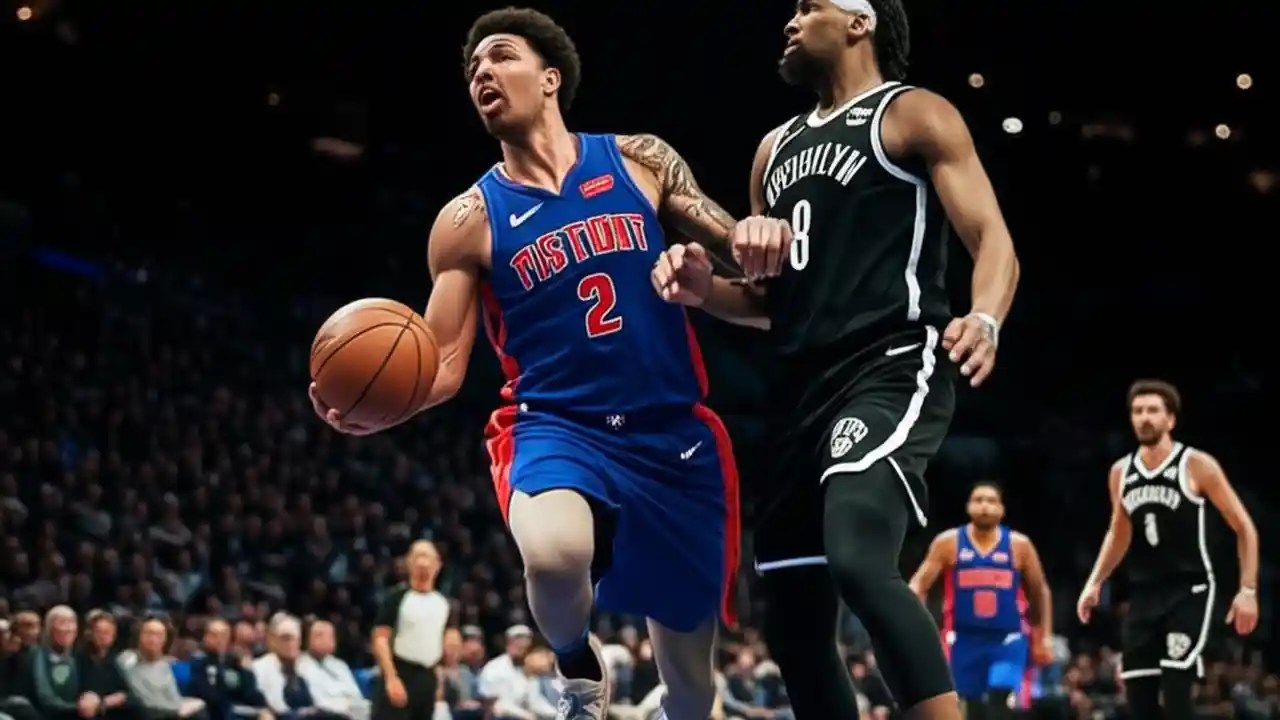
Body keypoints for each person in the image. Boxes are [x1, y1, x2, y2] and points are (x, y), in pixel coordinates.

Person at [309, 8, 744, 720]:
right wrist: (374, 412)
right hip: (555, 421)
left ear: (549, 79)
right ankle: (577, 666)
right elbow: (442, 363)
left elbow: (735, 250)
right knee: (552, 555)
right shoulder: (466, 220)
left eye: (499, 56)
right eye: (472, 68)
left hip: (671, 433)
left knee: (691, 685)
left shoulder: (640, 159)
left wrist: (760, 242)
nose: (481, 72)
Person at [650, 0, 1021, 716]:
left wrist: (985, 316)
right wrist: (704, 291)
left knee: (857, 553)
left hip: (889, 361)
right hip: (796, 392)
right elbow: (766, 303)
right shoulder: (773, 149)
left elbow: (994, 237)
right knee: (793, 622)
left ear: (860, 22)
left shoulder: (914, 113)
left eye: (808, 6)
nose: (788, 19)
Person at [1077, 379, 1259, 720]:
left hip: (1190, 590)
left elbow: (1244, 526)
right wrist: (1094, 582)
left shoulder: (1196, 464)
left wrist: (1247, 589)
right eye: (1137, 411)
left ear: (1170, 419)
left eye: (1153, 411)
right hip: (1143, 593)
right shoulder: (1120, 472)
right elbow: (1119, 532)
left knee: (1176, 694)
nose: (1144, 418)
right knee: (1138, 700)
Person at [908, 481, 1053, 719]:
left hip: (1007, 640)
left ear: (1002, 509)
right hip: (964, 641)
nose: (985, 506)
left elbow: (1040, 592)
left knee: (1000, 698)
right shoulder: (948, 543)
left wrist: (1044, 636)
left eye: (991, 501)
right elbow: (919, 584)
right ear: (968, 506)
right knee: (971, 708)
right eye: (978, 500)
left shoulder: (1019, 545)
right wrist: (912, 614)